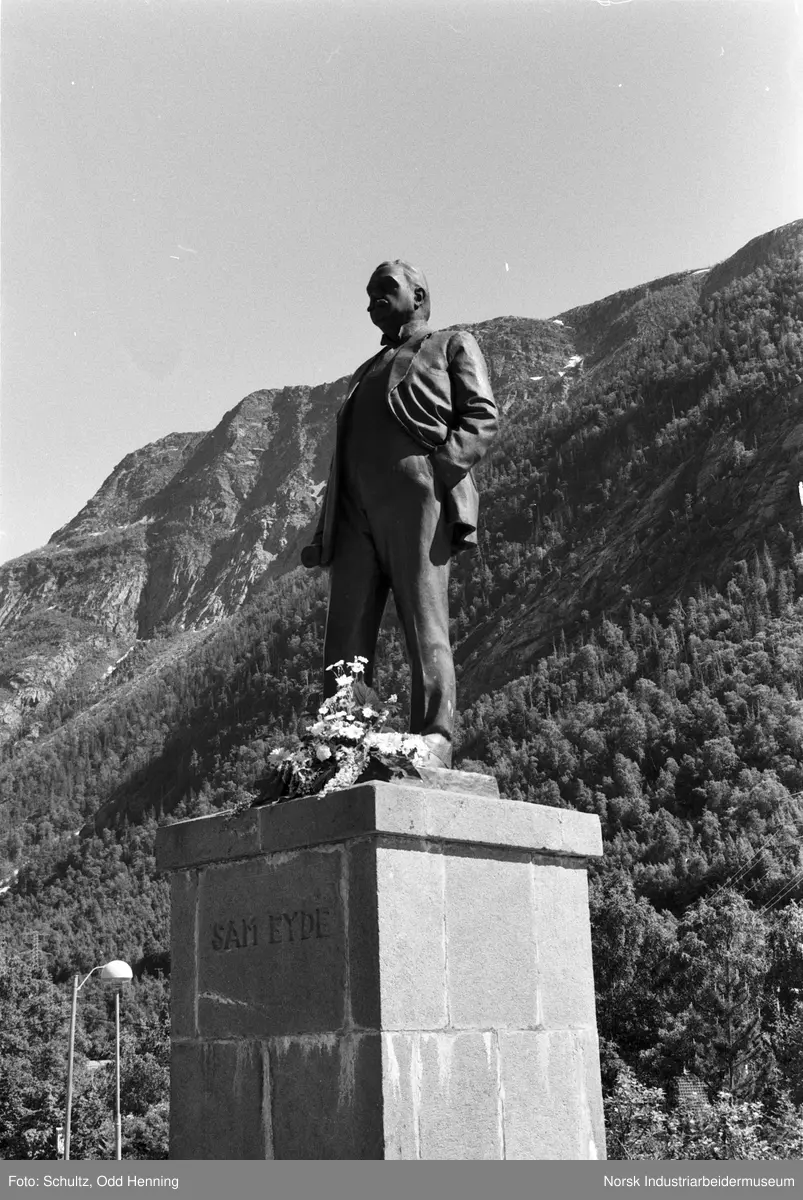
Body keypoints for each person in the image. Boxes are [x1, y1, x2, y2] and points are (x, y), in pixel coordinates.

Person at [301, 260, 498, 767]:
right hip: (352, 514)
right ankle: (339, 737)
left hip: (417, 500)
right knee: (345, 631)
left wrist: (438, 470)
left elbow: (482, 416)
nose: (372, 301)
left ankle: (435, 735)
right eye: (367, 295)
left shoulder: (451, 343)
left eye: (385, 289)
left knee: (424, 616)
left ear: (420, 294)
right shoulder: (364, 373)